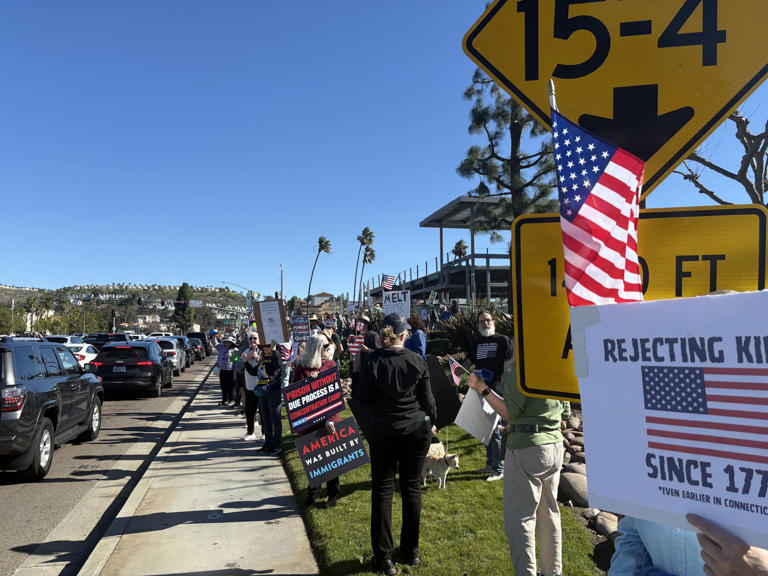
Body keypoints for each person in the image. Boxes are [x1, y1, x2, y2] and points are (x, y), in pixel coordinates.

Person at [467, 366, 570, 576]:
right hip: (554, 445)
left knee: (521, 518)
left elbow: (507, 411)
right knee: (550, 514)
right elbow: (564, 412)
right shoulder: (559, 367)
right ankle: (553, 572)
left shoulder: (524, 369)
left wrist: (481, 387)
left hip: (527, 448)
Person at [358, 313, 437, 576]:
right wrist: (432, 422)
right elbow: (428, 402)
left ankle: (384, 557)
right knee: (411, 488)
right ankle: (410, 552)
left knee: (383, 490)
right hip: (415, 430)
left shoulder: (372, 361)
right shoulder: (416, 360)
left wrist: (371, 427)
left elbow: (362, 400)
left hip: (384, 432)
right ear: (404, 336)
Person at [293, 332, 341, 508]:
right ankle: (313, 493)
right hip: (310, 419)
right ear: (316, 348)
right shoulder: (302, 367)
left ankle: (333, 494)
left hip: (329, 417)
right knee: (314, 458)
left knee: (331, 457)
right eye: (325, 347)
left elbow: (334, 394)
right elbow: (296, 394)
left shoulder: (330, 365)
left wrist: (330, 418)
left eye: (329, 347)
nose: (328, 349)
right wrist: (310, 383)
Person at [470, 310, 514, 481]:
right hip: (481, 390)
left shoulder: (503, 341)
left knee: (496, 431)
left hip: (498, 390)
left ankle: (499, 468)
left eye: (488, 320)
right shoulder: (477, 342)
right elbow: (472, 361)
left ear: (493, 322)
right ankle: (490, 464)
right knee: (485, 429)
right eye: (482, 321)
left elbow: (511, 365)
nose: (485, 323)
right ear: (478, 325)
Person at [244, 341, 284, 456]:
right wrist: (246, 363)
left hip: (273, 391)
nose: (265, 348)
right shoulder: (262, 359)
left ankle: (276, 445)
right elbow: (253, 372)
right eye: (263, 346)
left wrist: (274, 348)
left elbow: (276, 371)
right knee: (266, 419)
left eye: (268, 346)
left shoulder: (276, 358)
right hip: (263, 392)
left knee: (275, 419)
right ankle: (268, 444)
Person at [240, 333, 263, 441]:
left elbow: (261, 368)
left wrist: (257, 358)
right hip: (249, 385)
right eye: (250, 338)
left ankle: (265, 433)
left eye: (255, 338)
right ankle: (250, 432)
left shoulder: (263, 351)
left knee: (263, 411)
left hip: (261, 385)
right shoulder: (245, 351)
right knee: (250, 410)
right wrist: (246, 359)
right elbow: (239, 365)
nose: (252, 340)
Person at [214, 336, 237, 406]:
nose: (227, 343)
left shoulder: (235, 350)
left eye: (229, 342)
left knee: (231, 386)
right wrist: (214, 337)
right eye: (226, 342)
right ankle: (224, 400)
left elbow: (235, 361)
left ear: (232, 343)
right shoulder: (221, 348)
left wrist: (235, 371)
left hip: (231, 371)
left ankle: (232, 399)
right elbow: (215, 343)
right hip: (222, 370)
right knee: (223, 386)